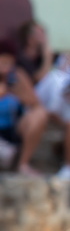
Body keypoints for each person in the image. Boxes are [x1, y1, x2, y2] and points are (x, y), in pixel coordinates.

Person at [0, 40, 48, 176]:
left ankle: (23, 164)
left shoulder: (17, 76)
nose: (6, 68)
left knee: (40, 114)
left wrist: (16, 93)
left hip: (13, 130)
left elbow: (36, 103)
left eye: (9, 63)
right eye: (3, 63)